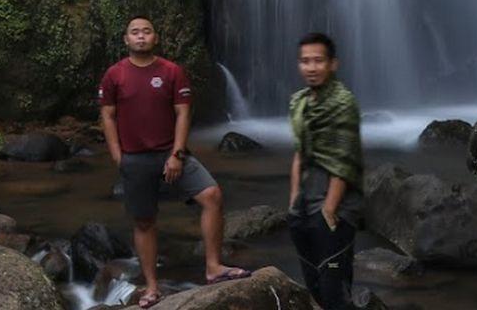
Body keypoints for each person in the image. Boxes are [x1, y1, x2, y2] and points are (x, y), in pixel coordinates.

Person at [99, 16, 252, 308]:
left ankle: (213, 267)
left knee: (211, 195)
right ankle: (152, 287)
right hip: (134, 158)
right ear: (126, 40)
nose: (141, 36)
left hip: (170, 152)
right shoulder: (114, 75)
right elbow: (107, 115)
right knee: (144, 221)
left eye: (146, 31)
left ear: (155, 37)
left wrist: (177, 154)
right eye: (135, 32)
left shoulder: (171, 71)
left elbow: (183, 113)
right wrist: (117, 155)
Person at [286, 32, 364, 309]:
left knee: (334, 289)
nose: (311, 67)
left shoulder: (343, 103)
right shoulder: (299, 102)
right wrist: (294, 202)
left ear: (333, 64)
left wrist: (328, 211)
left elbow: (343, 162)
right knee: (314, 285)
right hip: (304, 205)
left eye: (318, 60)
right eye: (305, 61)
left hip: (336, 208)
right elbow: (300, 153)